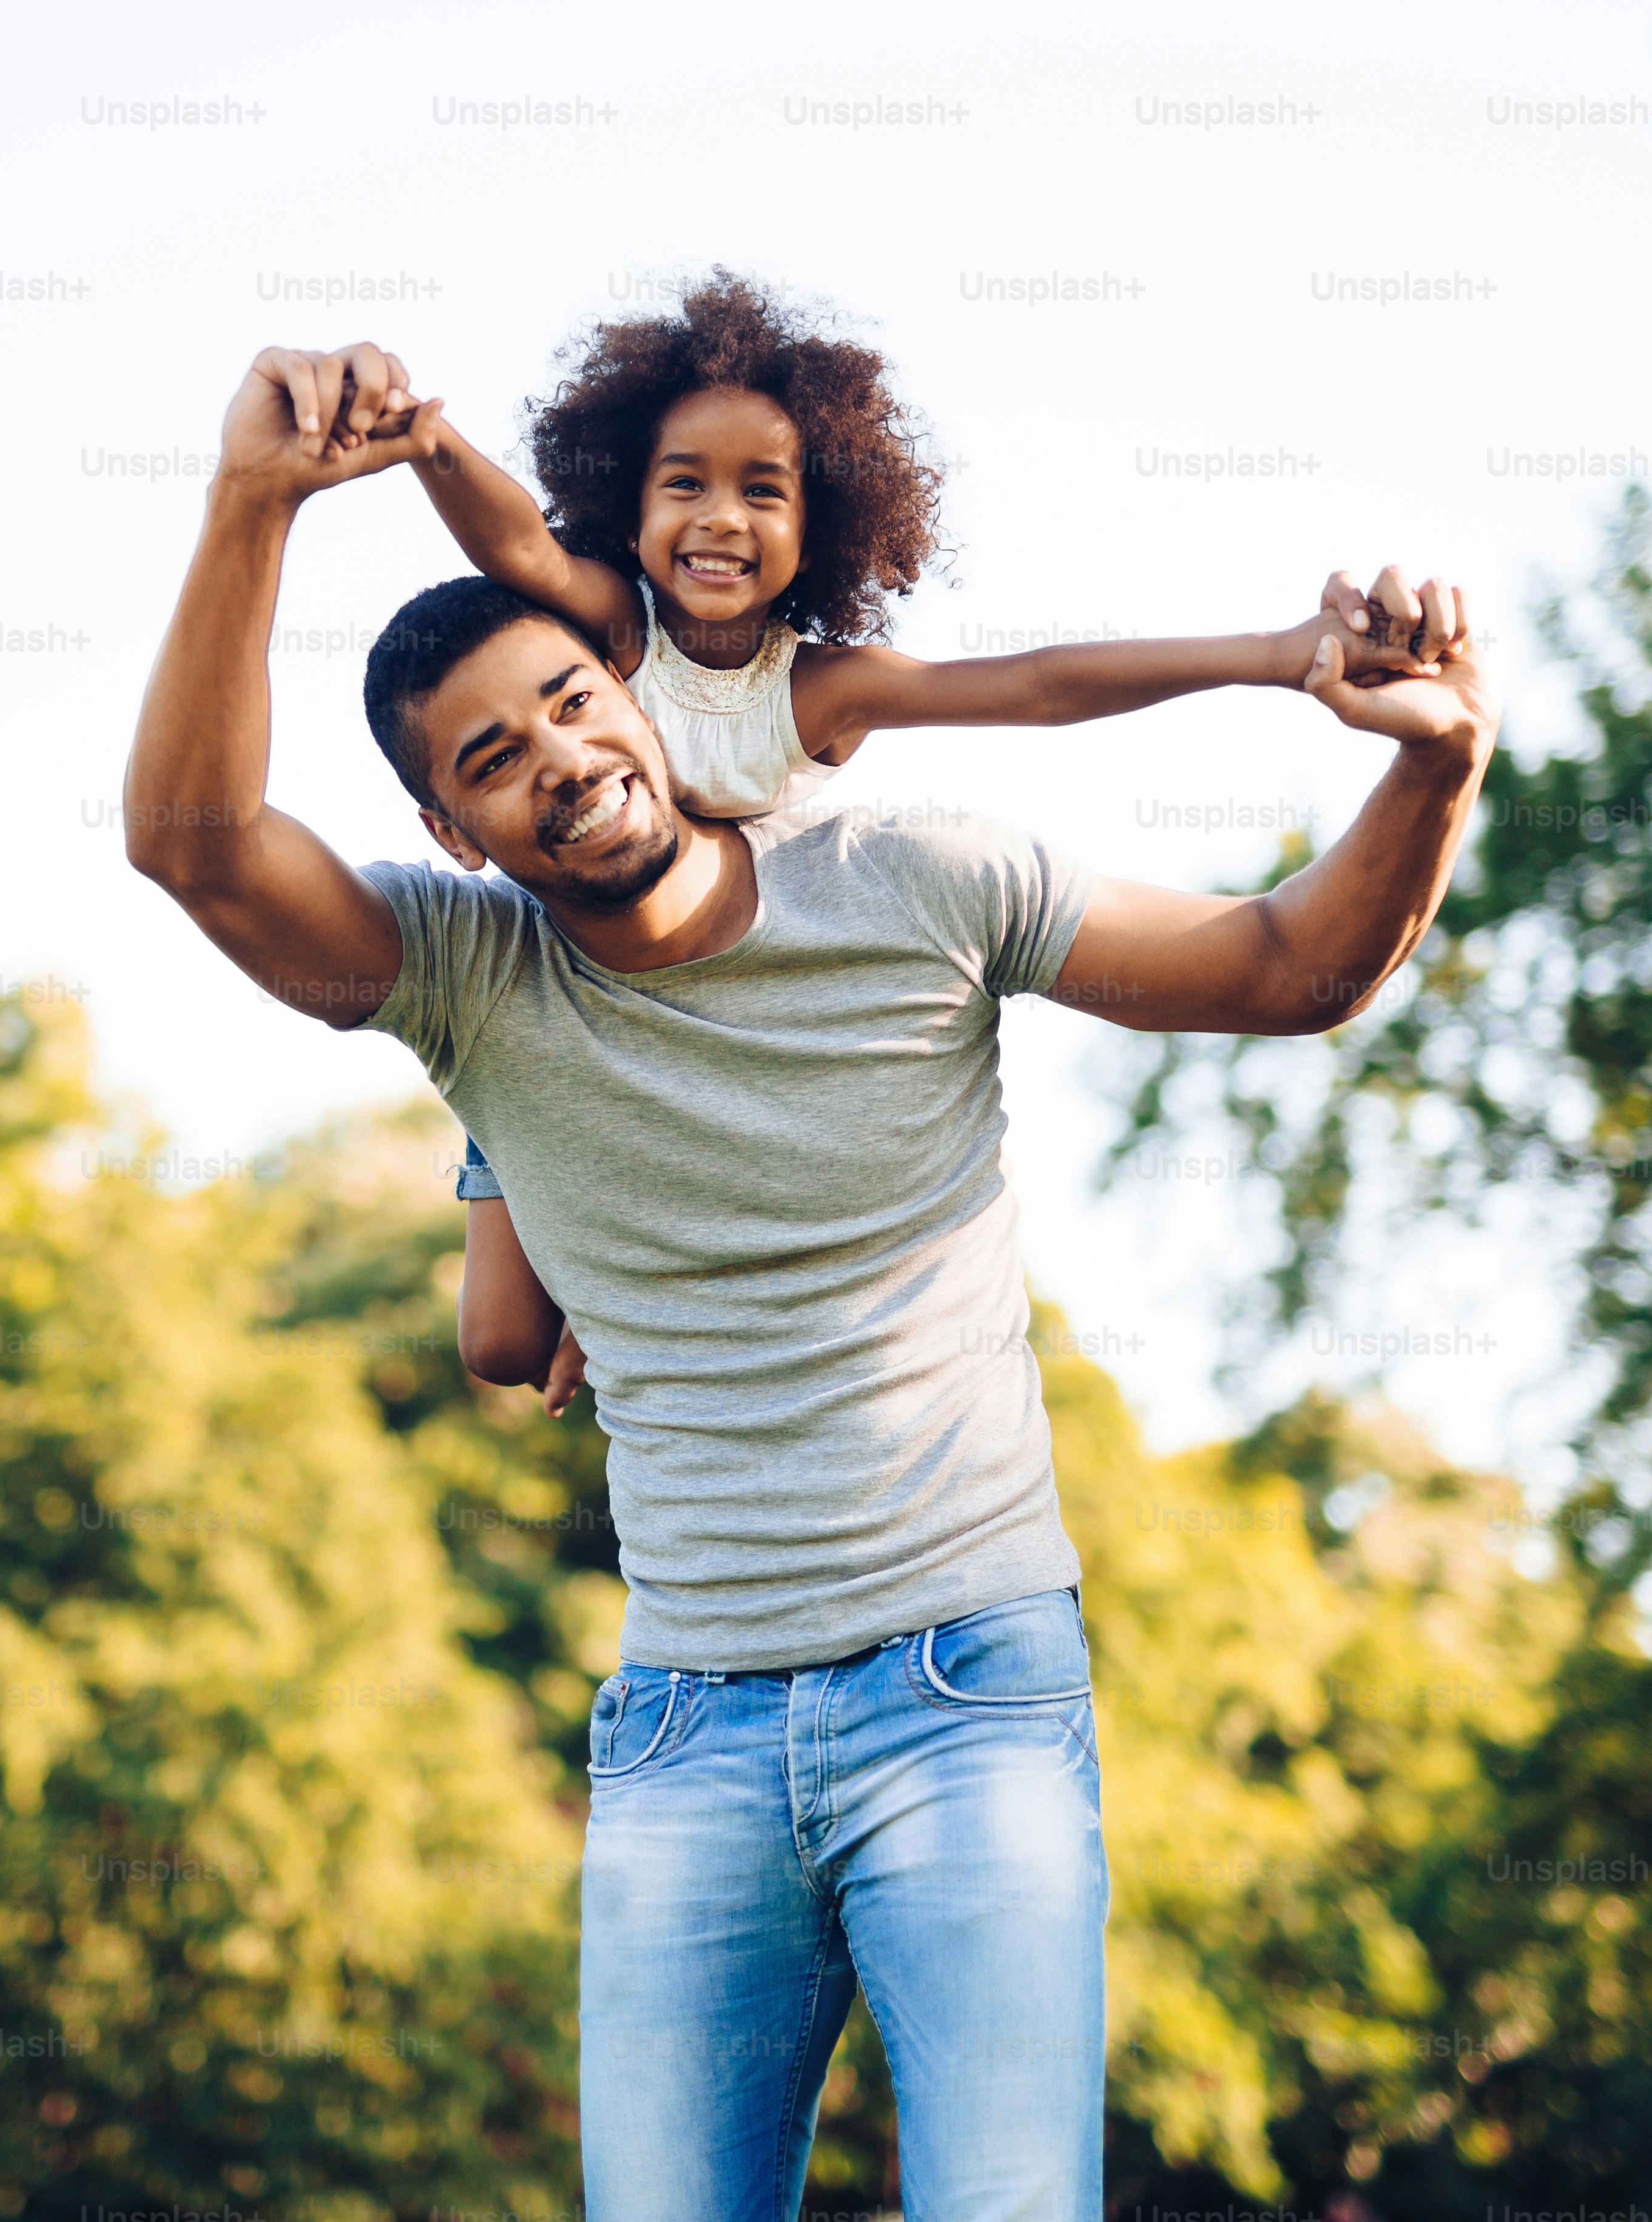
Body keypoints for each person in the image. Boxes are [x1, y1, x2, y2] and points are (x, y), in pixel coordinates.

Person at [123, 338, 1490, 2222]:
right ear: (453, 836)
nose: (561, 762)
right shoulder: (464, 977)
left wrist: (1438, 763)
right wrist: (253, 504)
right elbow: (193, 849)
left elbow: (1285, 969)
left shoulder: (922, 880)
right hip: (688, 1734)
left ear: (634, 691)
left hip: (970, 1696)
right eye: (492, 763)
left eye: (570, 704)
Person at [381, 272, 1445, 1410]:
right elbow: (515, 548)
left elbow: (1040, 684)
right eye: (683, 484)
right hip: (570, 998)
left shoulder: (827, 689)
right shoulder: (614, 631)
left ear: (819, 529)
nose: (721, 518)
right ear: (628, 512)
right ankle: (571, 1233)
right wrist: (426, 442)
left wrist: (1276, 656)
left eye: (763, 492)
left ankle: (626, 1288)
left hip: (728, 998)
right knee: (502, 1341)